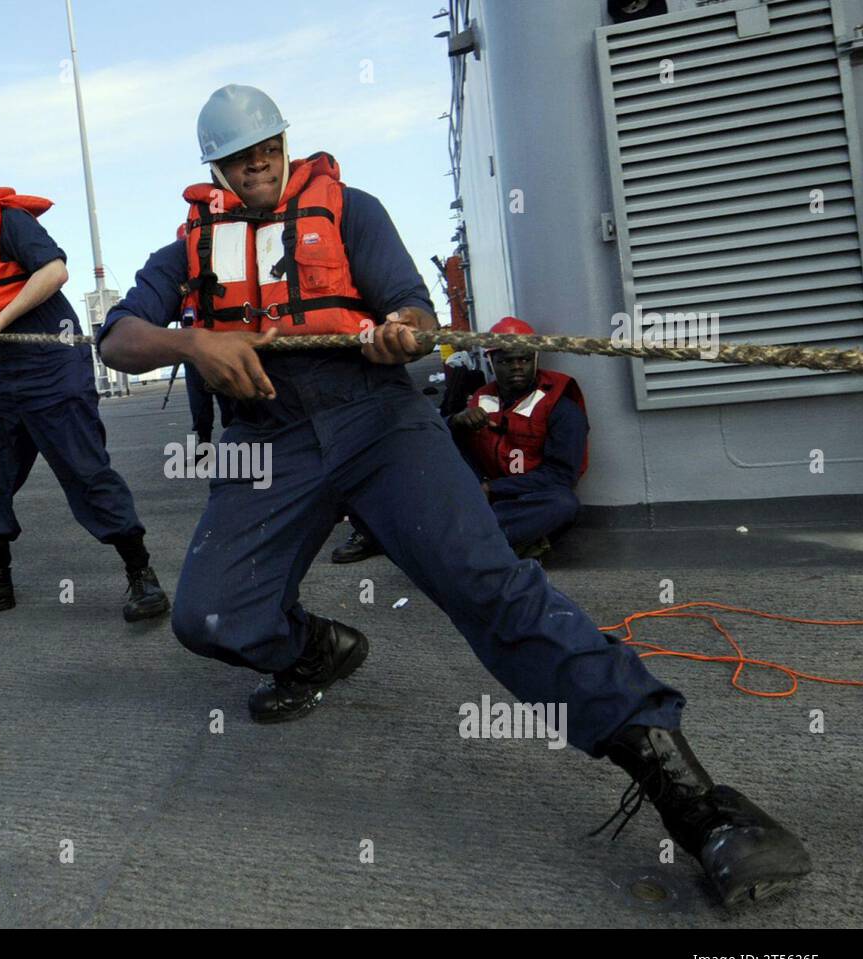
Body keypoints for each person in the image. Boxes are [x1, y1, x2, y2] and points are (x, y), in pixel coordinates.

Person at [96, 83, 811, 907]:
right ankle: (318, 650)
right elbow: (116, 337)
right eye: (239, 160)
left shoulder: (351, 210)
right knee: (208, 617)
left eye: (267, 153)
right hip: (267, 439)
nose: (257, 170)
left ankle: (699, 808)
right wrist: (193, 341)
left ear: (285, 148)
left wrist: (402, 330)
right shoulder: (187, 248)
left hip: (377, 421)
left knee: (490, 588)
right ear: (215, 169)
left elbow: (413, 308)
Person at [0, 154, 167, 618]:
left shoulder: (9, 222)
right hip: (7, 374)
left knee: (86, 472)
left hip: (54, 362)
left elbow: (55, 272)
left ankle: (141, 575)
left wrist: (0, 318)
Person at [450, 316, 587, 560]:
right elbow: (445, 446)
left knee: (563, 504)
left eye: (524, 359)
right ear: (491, 362)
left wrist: (492, 488)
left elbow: (562, 475)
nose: (516, 367)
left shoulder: (561, 408)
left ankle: (471, 544)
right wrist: (456, 422)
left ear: (535, 358)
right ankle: (501, 543)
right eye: (506, 361)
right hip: (482, 493)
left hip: (527, 496)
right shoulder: (480, 398)